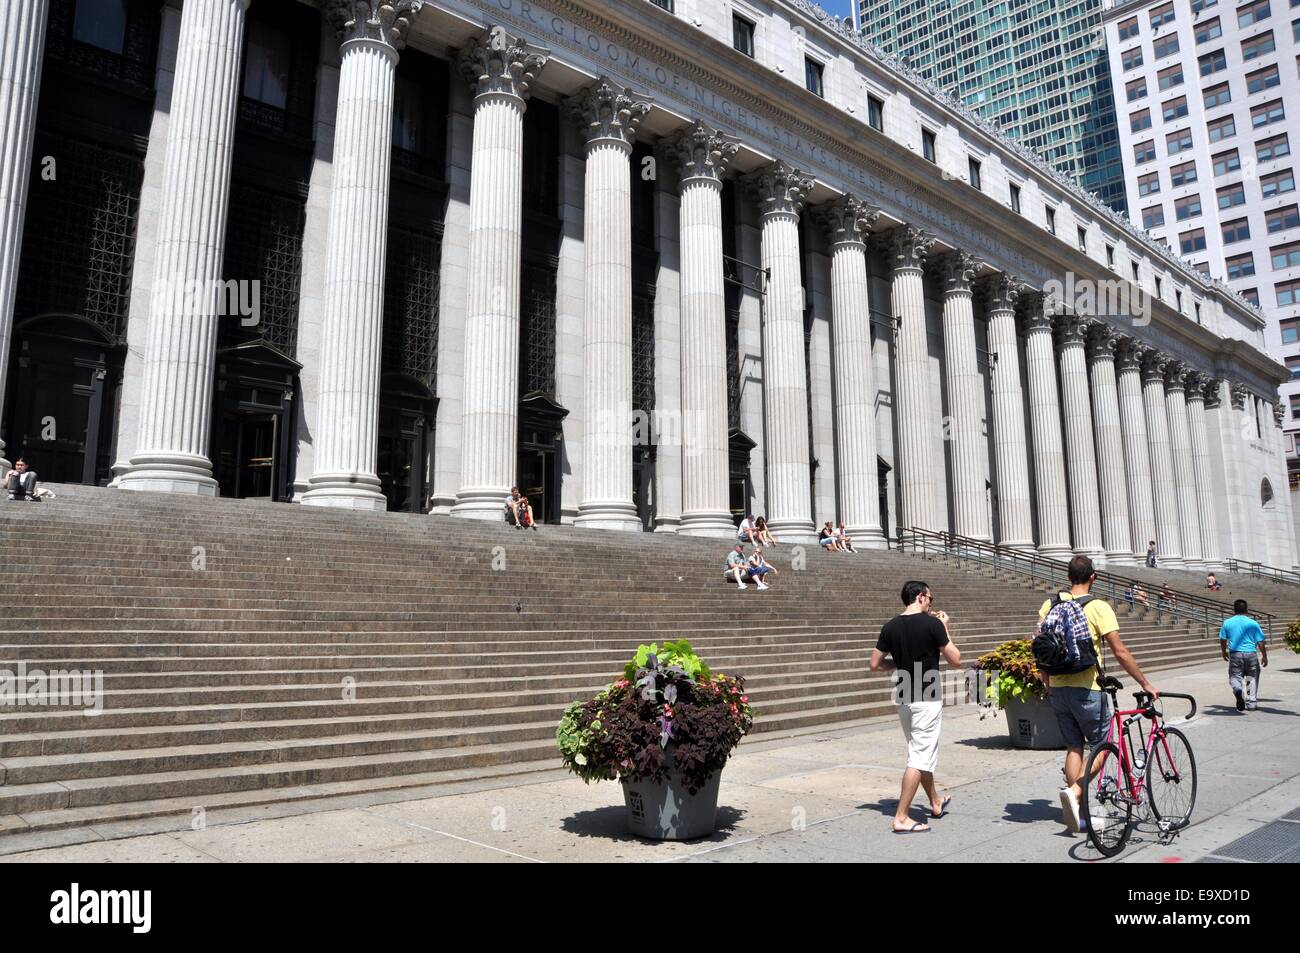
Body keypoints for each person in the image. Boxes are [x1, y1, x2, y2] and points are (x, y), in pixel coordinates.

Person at [1040, 555, 1157, 835]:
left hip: (1057, 686)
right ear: (1093, 577)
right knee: (1102, 747)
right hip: (1088, 688)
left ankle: (1079, 815)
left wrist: (1046, 682)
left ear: (1068, 576)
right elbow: (1120, 651)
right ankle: (1076, 791)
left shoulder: (1050, 604)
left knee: (1073, 748)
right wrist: (1144, 682)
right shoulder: (1098, 607)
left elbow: (1041, 648)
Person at [871, 581, 960, 834]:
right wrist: (945, 628)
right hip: (926, 695)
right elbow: (956, 659)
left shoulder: (890, 626)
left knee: (919, 752)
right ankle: (901, 817)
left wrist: (898, 664)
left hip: (903, 694)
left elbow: (875, 664)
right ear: (920, 596)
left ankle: (935, 801)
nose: (931, 602)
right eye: (930, 598)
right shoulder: (933, 624)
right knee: (919, 757)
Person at [1219, 600, 1268, 712]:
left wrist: (1223, 652)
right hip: (1251, 654)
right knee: (1252, 677)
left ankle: (1238, 691)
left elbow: (1222, 639)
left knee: (1235, 677)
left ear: (1234, 610)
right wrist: (1264, 656)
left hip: (1235, 654)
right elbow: (1260, 642)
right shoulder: (1253, 623)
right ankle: (1251, 703)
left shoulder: (1227, 622)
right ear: (1247, 610)